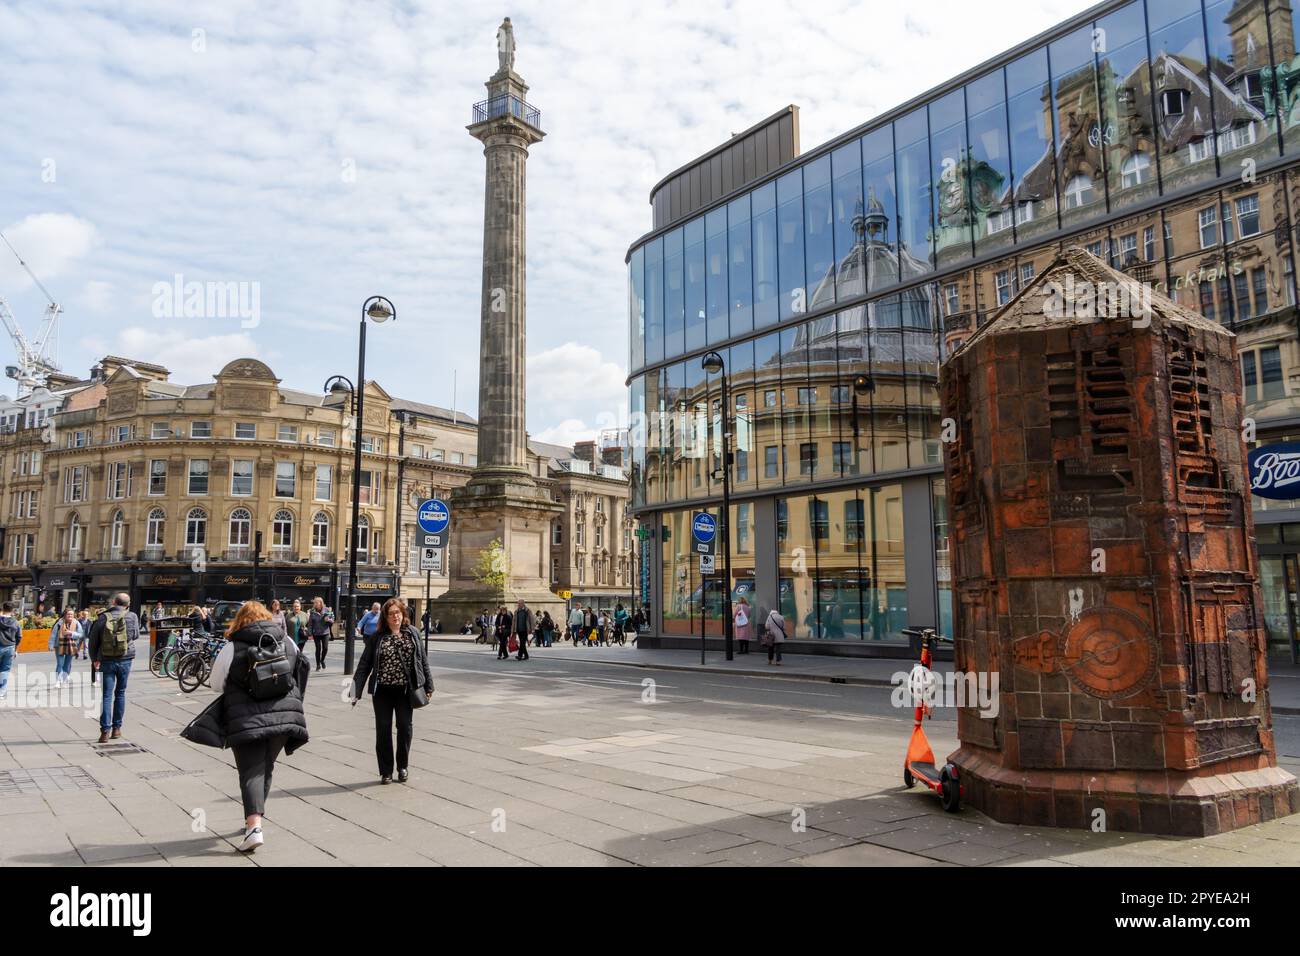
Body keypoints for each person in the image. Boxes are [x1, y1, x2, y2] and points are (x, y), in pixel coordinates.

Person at [186, 600, 309, 853]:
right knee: (266, 766)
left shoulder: (232, 647)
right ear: (266, 617)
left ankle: (254, 827)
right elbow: (299, 668)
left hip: (246, 719)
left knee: (251, 771)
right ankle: (254, 819)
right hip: (283, 717)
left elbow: (217, 684)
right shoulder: (286, 642)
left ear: (240, 620)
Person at [351, 598, 434, 785]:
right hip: (382, 692)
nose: (395, 616)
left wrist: (429, 685)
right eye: (391, 614)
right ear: (385, 617)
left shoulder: (412, 633)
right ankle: (386, 771)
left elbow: (422, 660)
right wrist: (355, 689)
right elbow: (365, 664)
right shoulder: (377, 637)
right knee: (383, 730)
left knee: (405, 728)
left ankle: (402, 766)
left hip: (406, 690)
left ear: (403, 614)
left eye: (398, 612)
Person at [89, 593, 141, 742]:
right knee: (120, 693)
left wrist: (94, 659)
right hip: (126, 658)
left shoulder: (103, 617)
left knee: (106, 695)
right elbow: (136, 635)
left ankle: (105, 731)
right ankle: (117, 729)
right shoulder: (132, 616)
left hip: (106, 660)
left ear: (113, 602)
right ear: (128, 604)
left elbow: (93, 641)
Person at [49, 607, 82, 685]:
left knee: (67, 663)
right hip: (59, 645)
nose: (70, 615)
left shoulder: (76, 623)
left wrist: (71, 633)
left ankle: (64, 678)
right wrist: (51, 644)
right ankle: (57, 680)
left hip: (71, 645)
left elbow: (80, 634)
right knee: (60, 663)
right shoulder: (59, 623)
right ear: (65, 615)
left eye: (72, 614)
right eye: (68, 614)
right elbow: (53, 634)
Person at [308, 597, 334, 670]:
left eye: (317, 602)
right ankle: (318, 665)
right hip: (316, 633)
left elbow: (332, 619)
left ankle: (322, 660)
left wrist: (329, 620)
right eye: (315, 603)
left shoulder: (327, 610)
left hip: (325, 632)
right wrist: (309, 634)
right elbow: (310, 624)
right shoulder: (312, 611)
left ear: (321, 603)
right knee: (318, 649)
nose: (316, 604)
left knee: (325, 648)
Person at [0, 602, 19, 702]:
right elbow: (19, 636)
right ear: (12, 610)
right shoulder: (15, 622)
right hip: (10, 647)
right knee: (5, 670)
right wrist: (16, 649)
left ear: (3, 608)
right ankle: (2, 693)